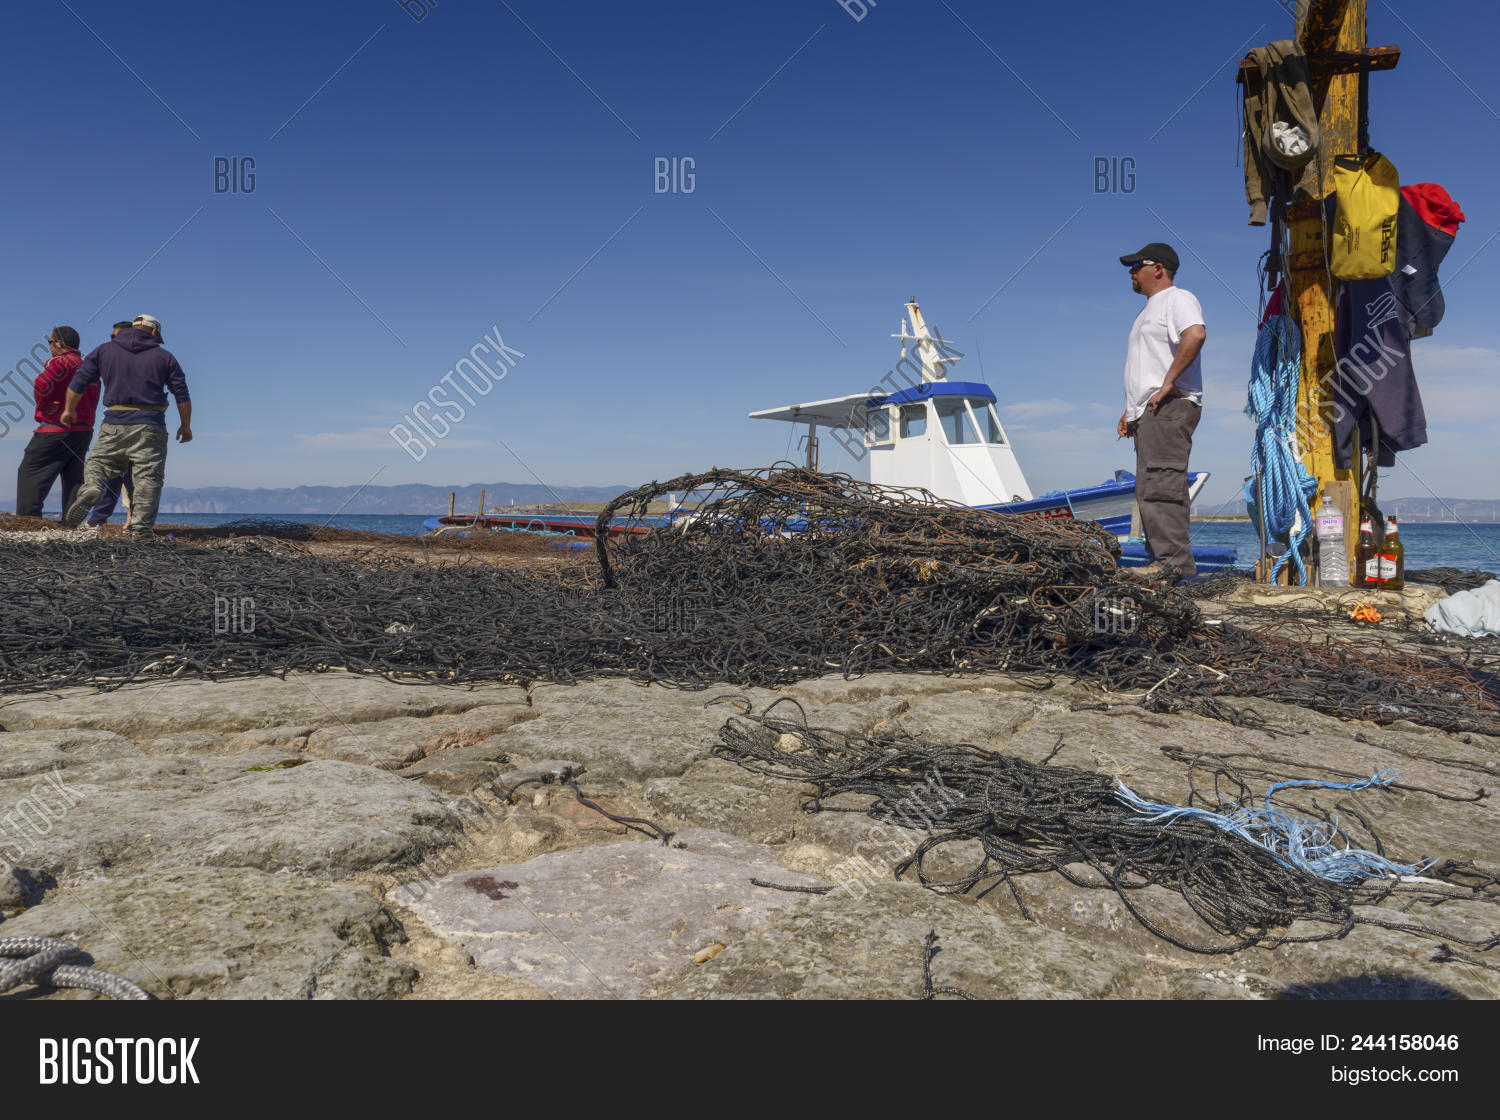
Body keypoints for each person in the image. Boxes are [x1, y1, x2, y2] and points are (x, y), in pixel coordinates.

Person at [1116, 242, 1205, 582]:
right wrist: (1130, 411)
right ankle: (1163, 565)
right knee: (1150, 487)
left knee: (1163, 484)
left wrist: (1169, 383)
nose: (1131, 271)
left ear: (1158, 268)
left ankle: (1174, 568)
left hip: (1169, 407)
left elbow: (1195, 334)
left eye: (1137, 265)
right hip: (1149, 412)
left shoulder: (1177, 299)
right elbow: (1145, 366)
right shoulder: (1149, 310)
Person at [60, 314, 191, 539]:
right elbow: (181, 393)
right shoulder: (164, 356)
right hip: (150, 423)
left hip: (113, 420)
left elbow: (79, 381)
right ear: (153, 332)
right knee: (148, 477)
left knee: (99, 462)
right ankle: (141, 529)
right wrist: (185, 425)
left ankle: (92, 486)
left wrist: (69, 409)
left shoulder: (104, 350)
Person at [14, 326, 99, 517]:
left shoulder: (61, 362)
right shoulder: (88, 367)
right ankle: (70, 519)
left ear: (59, 344)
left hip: (54, 429)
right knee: (73, 475)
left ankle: (29, 519)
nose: (49, 347)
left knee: (30, 472)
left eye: (50, 343)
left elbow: (43, 383)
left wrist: (44, 405)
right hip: (83, 430)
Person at [85, 322, 138, 528]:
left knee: (126, 476)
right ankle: (99, 519)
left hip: (130, 425)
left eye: (116, 337)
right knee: (114, 474)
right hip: (117, 423)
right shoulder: (113, 359)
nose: (113, 342)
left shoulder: (132, 360)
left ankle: (108, 519)